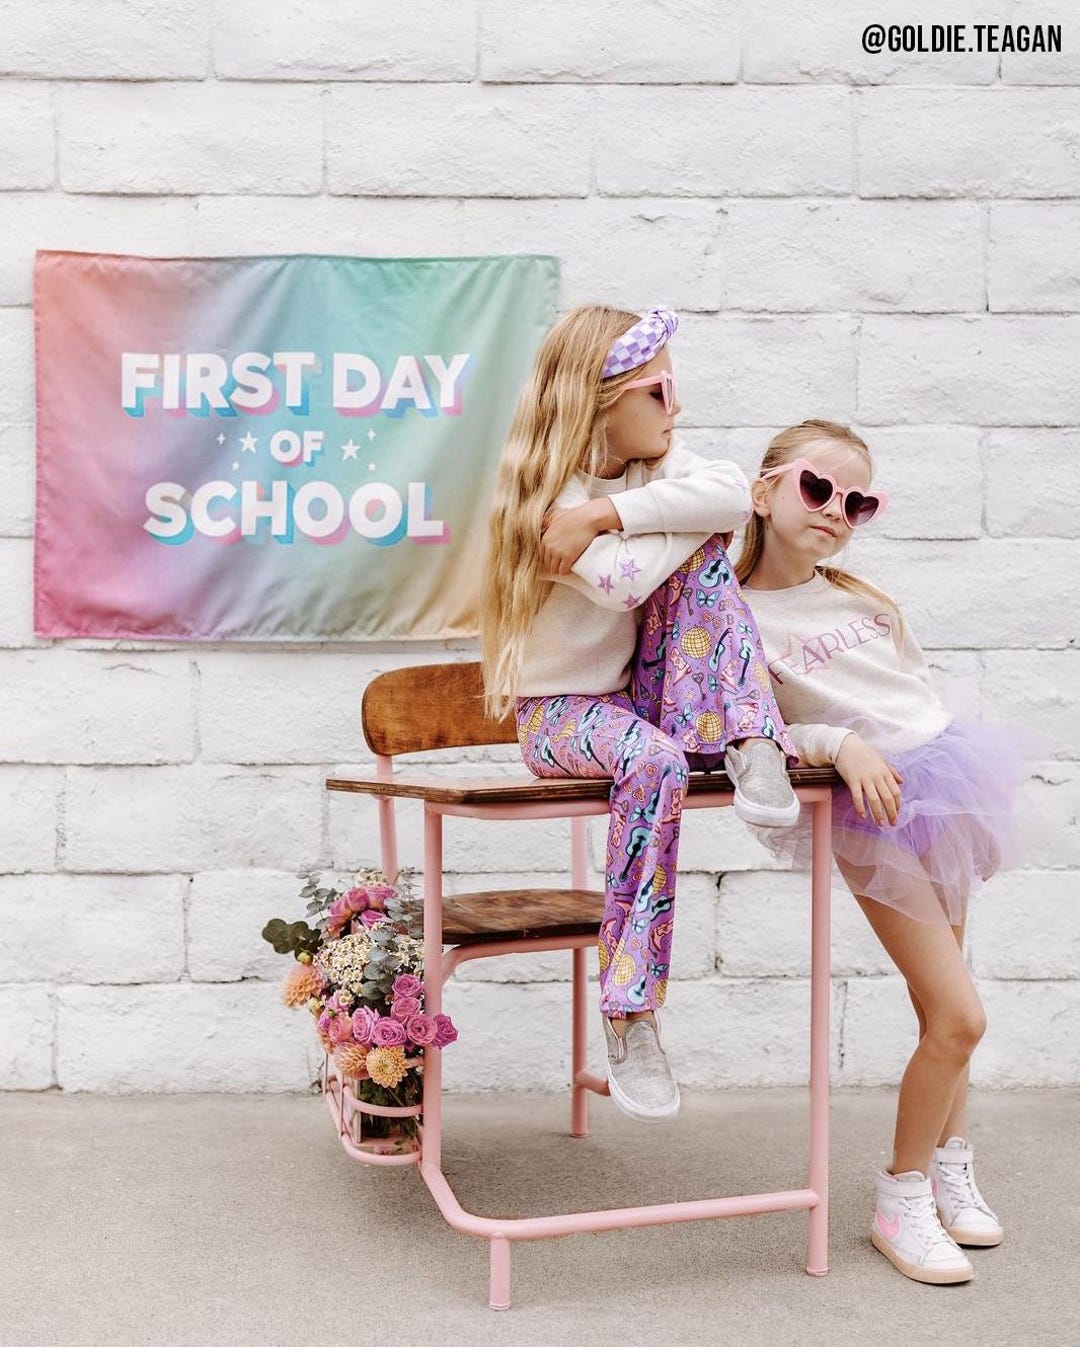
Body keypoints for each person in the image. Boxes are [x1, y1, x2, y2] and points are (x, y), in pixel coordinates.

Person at [480, 304, 799, 1124]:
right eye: (657, 391)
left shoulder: (638, 476)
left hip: (642, 699)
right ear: (600, 399)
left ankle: (753, 735)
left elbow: (732, 491)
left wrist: (612, 514)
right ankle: (630, 1013)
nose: (675, 406)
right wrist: (677, 518)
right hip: (558, 715)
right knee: (656, 754)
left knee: (703, 565)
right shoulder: (541, 497)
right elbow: (622, 584)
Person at [736, 418, 1026, 1285]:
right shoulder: (735, 616)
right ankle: (899, 1197)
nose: (836, 509)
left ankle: (946, 1165)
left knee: (940, 1010)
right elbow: (749, 729)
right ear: (763, 490)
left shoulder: (861, 597)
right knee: (962, 1015)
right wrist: (838, 743)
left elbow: (912, 689)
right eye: (817, 487)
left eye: (857, 501)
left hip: (944, 783)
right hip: (873, 810)